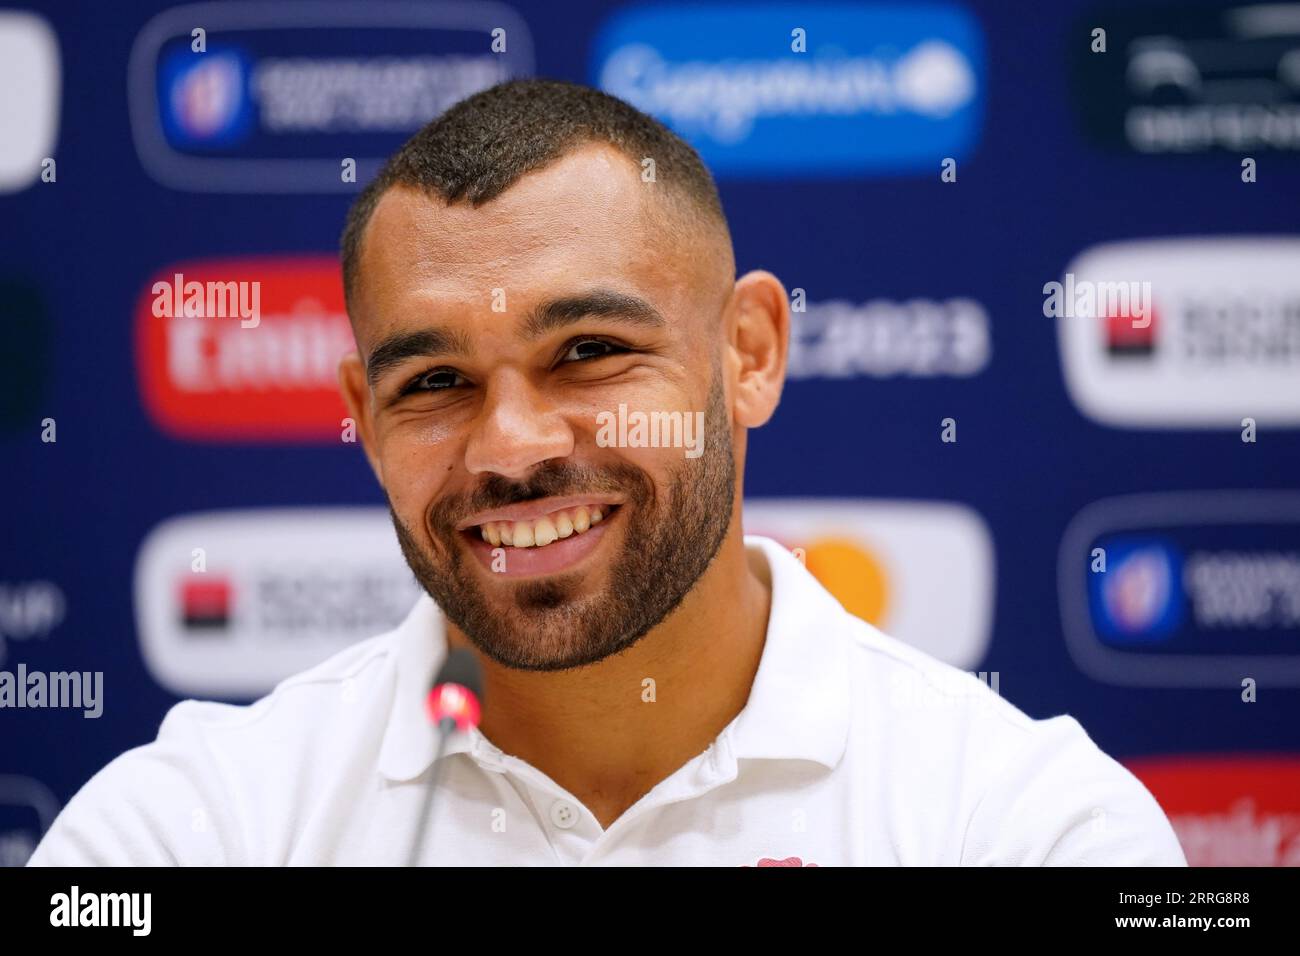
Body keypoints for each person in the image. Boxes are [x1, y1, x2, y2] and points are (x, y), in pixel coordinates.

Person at [30, 79, 1186, 866]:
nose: (513, 446)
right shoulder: (189, 830)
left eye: (587, 352)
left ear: (750, 353)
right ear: (362, 420)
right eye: (432, 381)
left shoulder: (1028, 828)